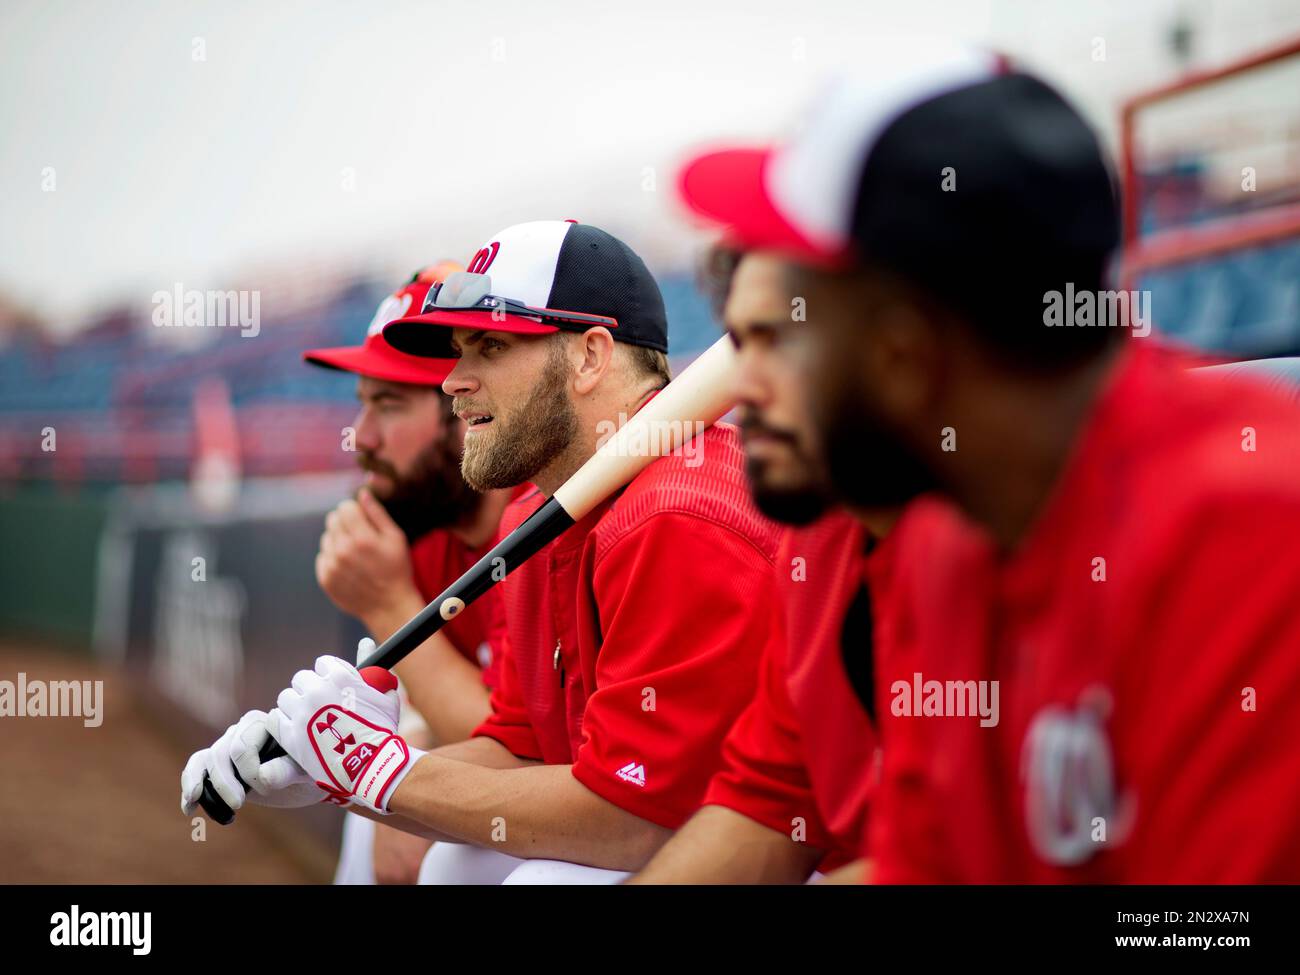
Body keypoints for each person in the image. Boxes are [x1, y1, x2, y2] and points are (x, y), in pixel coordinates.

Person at [674, 39, 1300, 881]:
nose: (732, 383)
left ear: (904, 355)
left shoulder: (1253, 532)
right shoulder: (942, 533)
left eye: (781, 334)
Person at [183, 220, 783, 884]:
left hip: (835, 854)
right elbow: (524, 748)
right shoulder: (533, 515)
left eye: (491, 346)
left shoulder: (676, 514)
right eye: (460, 350)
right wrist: (333, 770)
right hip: (683, 831)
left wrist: (385, 773)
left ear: (589, 356)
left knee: (543, 883)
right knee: (456, 866)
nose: (453, 382)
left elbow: (637, 818)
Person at [630, 248, 895, 883]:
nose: (738, 386)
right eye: (741, 344)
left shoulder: (1067, 531)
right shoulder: (821, 539)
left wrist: (394, 778)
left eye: (780, 341)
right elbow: (769, 799)